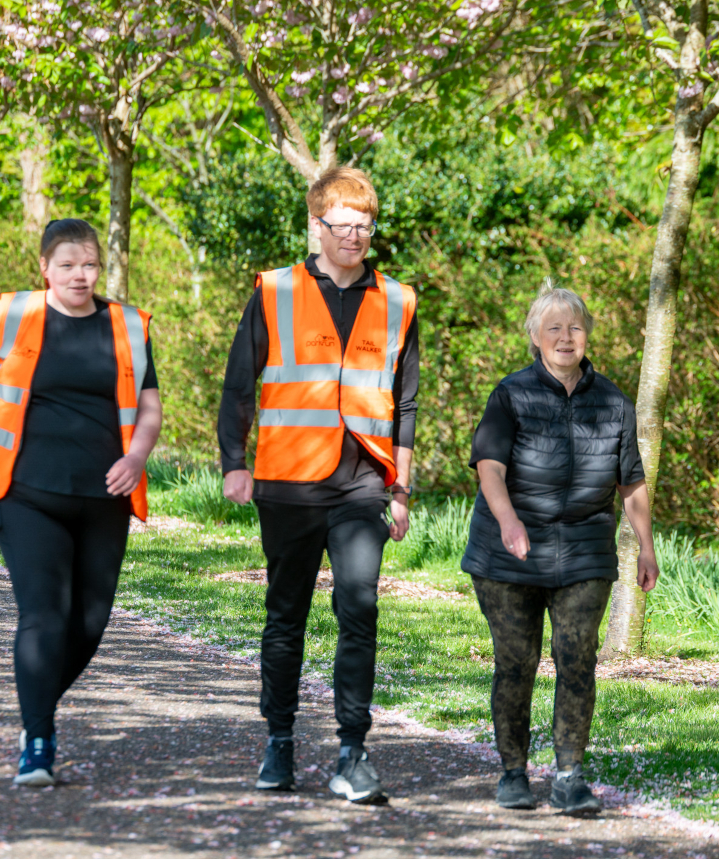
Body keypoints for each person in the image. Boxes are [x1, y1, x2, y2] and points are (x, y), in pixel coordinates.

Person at [0, 219, 162, 787]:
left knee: (90, 624)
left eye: (90, 264)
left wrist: (138, 456)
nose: (81, 274)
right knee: (44, 614)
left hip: (105, 499)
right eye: (68, 264)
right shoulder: (11, 317)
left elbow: (149, 406)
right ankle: (38, 739)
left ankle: (35, 706)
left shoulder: (128, 325)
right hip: (26, 496)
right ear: (45, 268)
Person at [218, 167, 419, 805]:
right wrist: (234, 461)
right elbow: (239, 382)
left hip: (363, 480)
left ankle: (352, 753)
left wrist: (402, 485)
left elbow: (404, 401)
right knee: (287, 616)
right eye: (343, 224)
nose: (354, 235)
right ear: (317, 225)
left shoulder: (397, 300)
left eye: (364, 224)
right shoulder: (275, 291)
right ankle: (279, 741)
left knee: (358, 609)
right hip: (287, 480)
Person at [460, 285, 659, 813]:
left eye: (574, 327)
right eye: (554, 328)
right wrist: (507, 521)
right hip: (509, 553)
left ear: (587, 335)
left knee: (577, 659)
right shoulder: (511, 394)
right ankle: (513, 772)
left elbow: (632, 482)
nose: (565, 337)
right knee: (515, 661)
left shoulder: (614, 403)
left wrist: (646, 546)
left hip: (584, 550)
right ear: (535, 338)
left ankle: (569, 775)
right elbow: (490, 467)